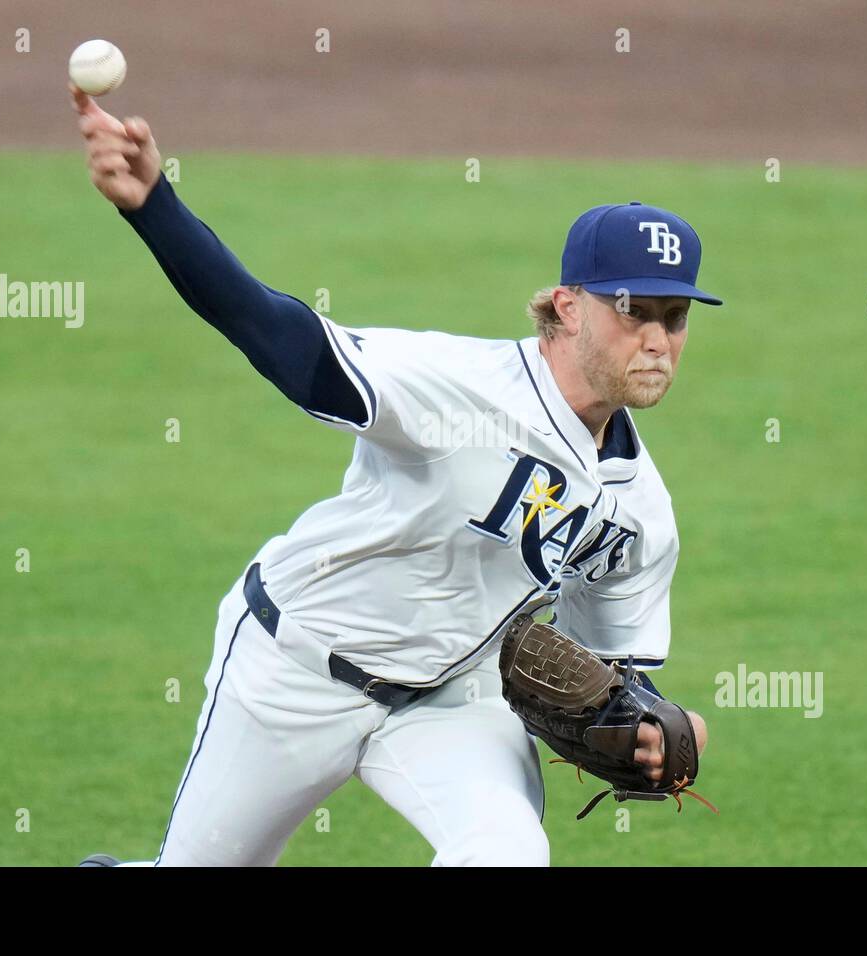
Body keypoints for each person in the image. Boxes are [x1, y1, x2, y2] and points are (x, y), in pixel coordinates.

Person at [70, 85, 718, 866]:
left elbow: (617, 677)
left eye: (673, 317)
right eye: (632, 310)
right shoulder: (457, 387)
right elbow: (277, 336)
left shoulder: (642, 516)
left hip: (452, 702)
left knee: (506, 854)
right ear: (568, 306)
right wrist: (155, 206)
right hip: (294, 665)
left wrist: (650, 726)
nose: (655, 338)